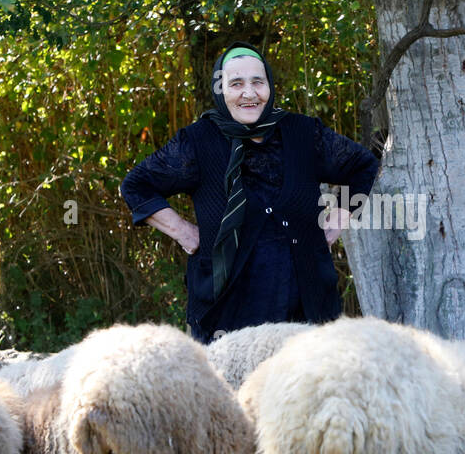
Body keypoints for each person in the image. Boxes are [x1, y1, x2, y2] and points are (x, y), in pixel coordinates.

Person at [121, 42, 379, 342]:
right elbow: (136, 185)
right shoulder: (197, 143)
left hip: (308, 309)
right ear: (221, 90)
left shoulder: (304, 133)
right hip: (228, 313)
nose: (249, 93)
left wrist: (338, 219)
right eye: (236, 84)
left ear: (269, 85)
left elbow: (363, 165)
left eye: (258, 82)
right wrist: (183, 232)